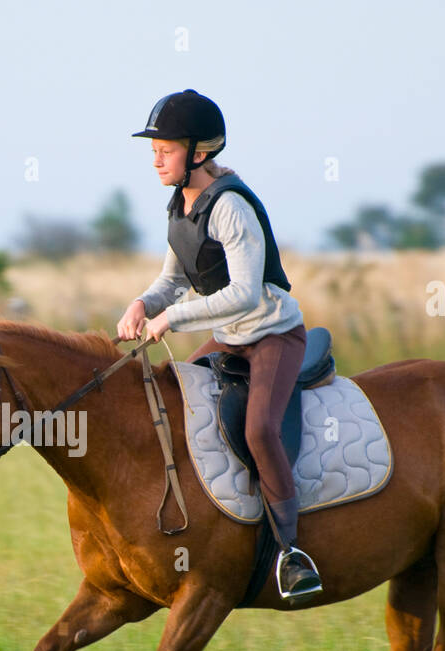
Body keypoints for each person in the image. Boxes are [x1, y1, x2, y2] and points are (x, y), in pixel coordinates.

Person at [116, 88, 322, 605]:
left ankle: (291, 553)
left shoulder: (230, 207)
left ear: (199, 153)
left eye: (166, 148)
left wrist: (173, 318)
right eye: (153, 149)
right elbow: (171, 281)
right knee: (180, 404)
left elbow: (244, 293)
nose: (157, 157)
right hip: (230, 337)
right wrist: (143, 303)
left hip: (271, 335)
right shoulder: (180, 206)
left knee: (260, 428)